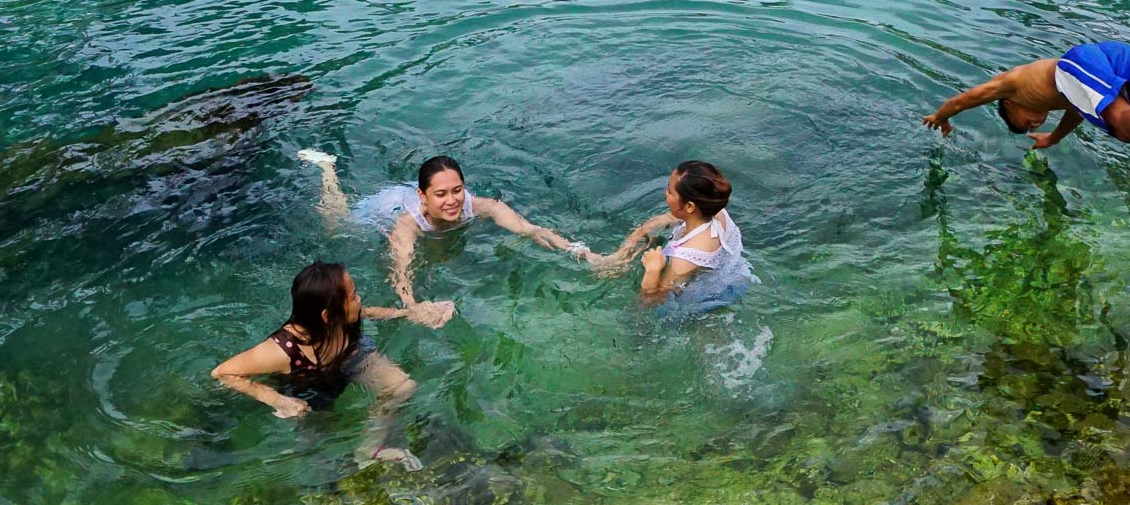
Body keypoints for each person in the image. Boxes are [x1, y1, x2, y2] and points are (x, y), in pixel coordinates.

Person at [921, 41, 1130, 198]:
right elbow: (1079, 108)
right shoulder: (1062, 94)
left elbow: (966, 97)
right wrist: (1052, 139)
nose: (1032, 124)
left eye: (1024, 123)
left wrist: (942, 117)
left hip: (1076, 64)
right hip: (1107, 55)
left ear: (1009, 105)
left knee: (1122, 122)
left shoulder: (1009, 85)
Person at [305, 151, 597, 322]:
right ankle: (327, 169)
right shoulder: (406, 225)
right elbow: (401, 272)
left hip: (415, 197)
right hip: (382, 208)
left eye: (457, 190)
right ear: (424, 196)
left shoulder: (481, 206)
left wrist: (580, 251)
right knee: (336, 224)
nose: (452, 201)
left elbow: (530, 229)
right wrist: (412, 307)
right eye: (441, 194)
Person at [211, 262, 425, 469]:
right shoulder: (283, 350)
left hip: (351, 357)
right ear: (328, 316)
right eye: (353, 297)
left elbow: (368, 311)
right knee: (317, 444)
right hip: (307, 384)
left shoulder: (348, 314)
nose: (359, 300)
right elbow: (222, 372)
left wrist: (411, 314)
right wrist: (277, 400)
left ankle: (369, 449)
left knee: (401, 387)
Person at [599, 161, 757, 311]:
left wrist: (652, 270)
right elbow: (663, 220)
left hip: (709, 298)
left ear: (689, 206)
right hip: (738, 277)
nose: (665, 193)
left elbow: (651, 301)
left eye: (670, 191)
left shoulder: (684, 258)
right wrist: (621, 255)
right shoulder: (714, 211)